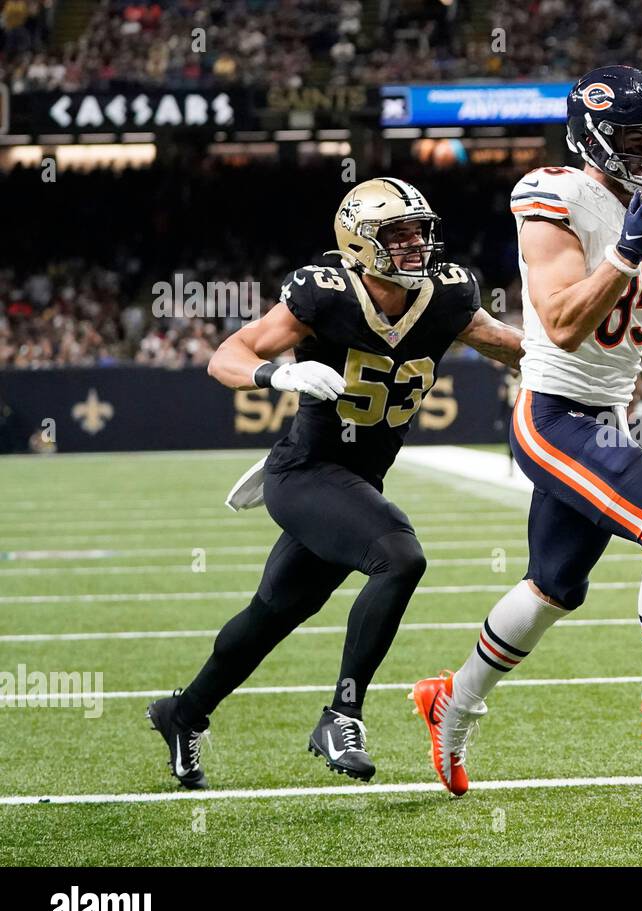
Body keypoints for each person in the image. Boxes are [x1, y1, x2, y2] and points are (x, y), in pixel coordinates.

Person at [410, 65, 642, 796]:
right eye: (634, 136)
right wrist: (627, 249)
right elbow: (562, 325)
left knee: (553, 587)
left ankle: (453, 702)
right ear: (595, 134)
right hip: (554, 414)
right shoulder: (554, 195)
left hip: (605, 416)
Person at [147, 177, 524, 789]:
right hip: (306, 473)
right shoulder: (326, 293)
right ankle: (341, 713)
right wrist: (276, 375)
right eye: (396, 234)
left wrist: (582, 371)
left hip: (355, 480)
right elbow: (227, 356)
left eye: (418, 232)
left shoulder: (450, 296)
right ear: (359, 241)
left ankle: (182, 713)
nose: (413, 246)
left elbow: (511, 347)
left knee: (273, 614)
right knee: (400, 556)